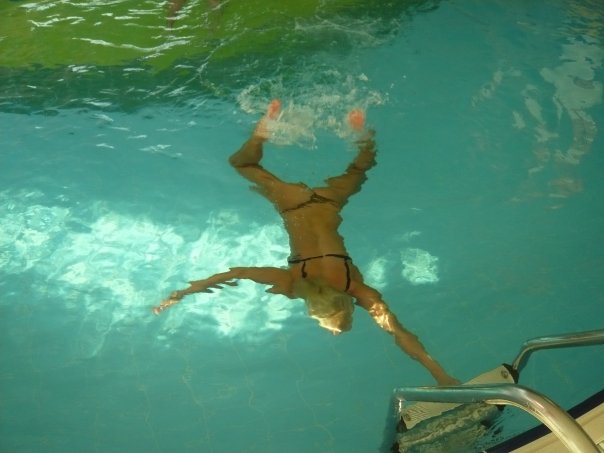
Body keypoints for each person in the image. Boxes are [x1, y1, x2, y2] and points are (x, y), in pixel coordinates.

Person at [153, 100, 458, 385]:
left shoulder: (354, 287)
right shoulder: (292, 283)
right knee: (241, 165)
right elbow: (237, 273)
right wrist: (182, 293)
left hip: (328, 202)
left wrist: (440, 374)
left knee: (362, 164)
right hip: (293, 205)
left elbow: (399, 333)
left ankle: (359, 131)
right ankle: (264, 130)